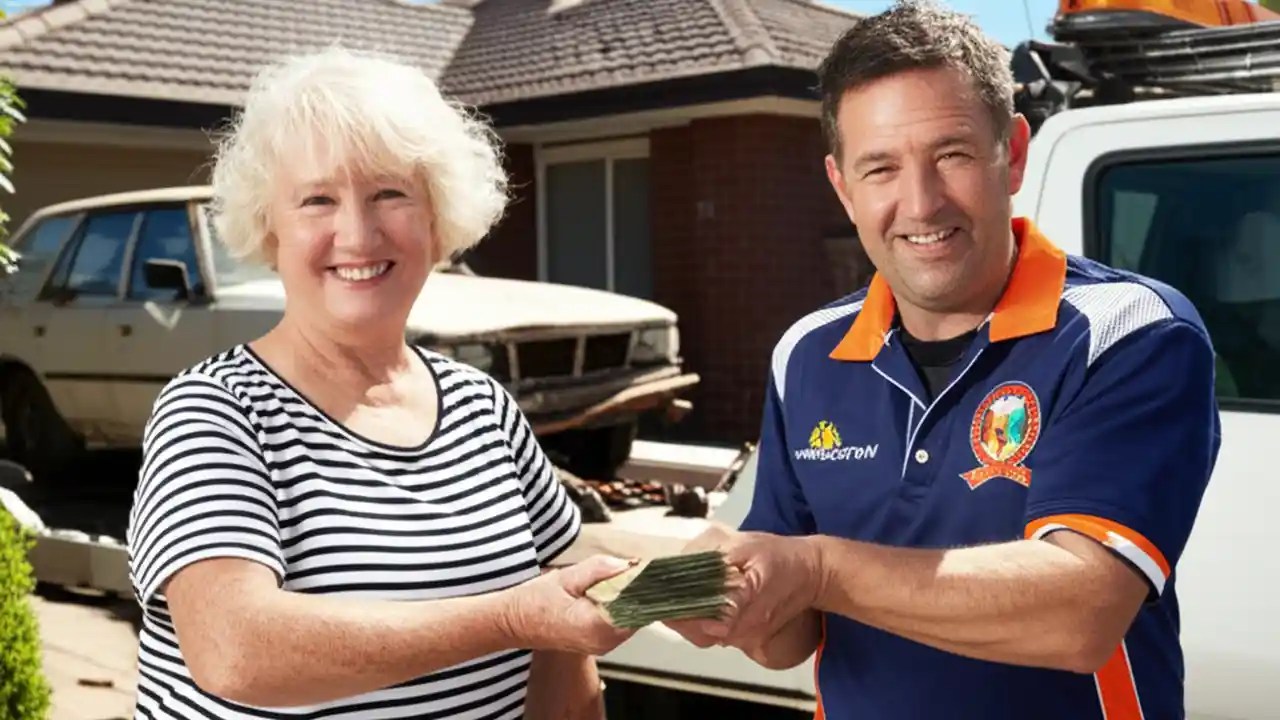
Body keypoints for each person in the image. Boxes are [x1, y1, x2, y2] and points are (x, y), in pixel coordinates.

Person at [668, 2, 1220, 718]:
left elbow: (1080, 615)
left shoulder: (1129, 332)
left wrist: (816, 569)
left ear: (1013, 154)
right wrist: (730, 601)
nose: (921, 203)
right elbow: (790, 638)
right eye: (881, 168)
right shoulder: (806, 353)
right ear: (841, 185)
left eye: (951, 155)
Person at [125, 47, 634, 720]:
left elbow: (559, 640)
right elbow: (235, 651)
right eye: (317, 199)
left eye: (390, 192)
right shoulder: (215, 412)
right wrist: (510, 619)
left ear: (437, 217)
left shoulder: (483, 408)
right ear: (268, 227)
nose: (357, 233)